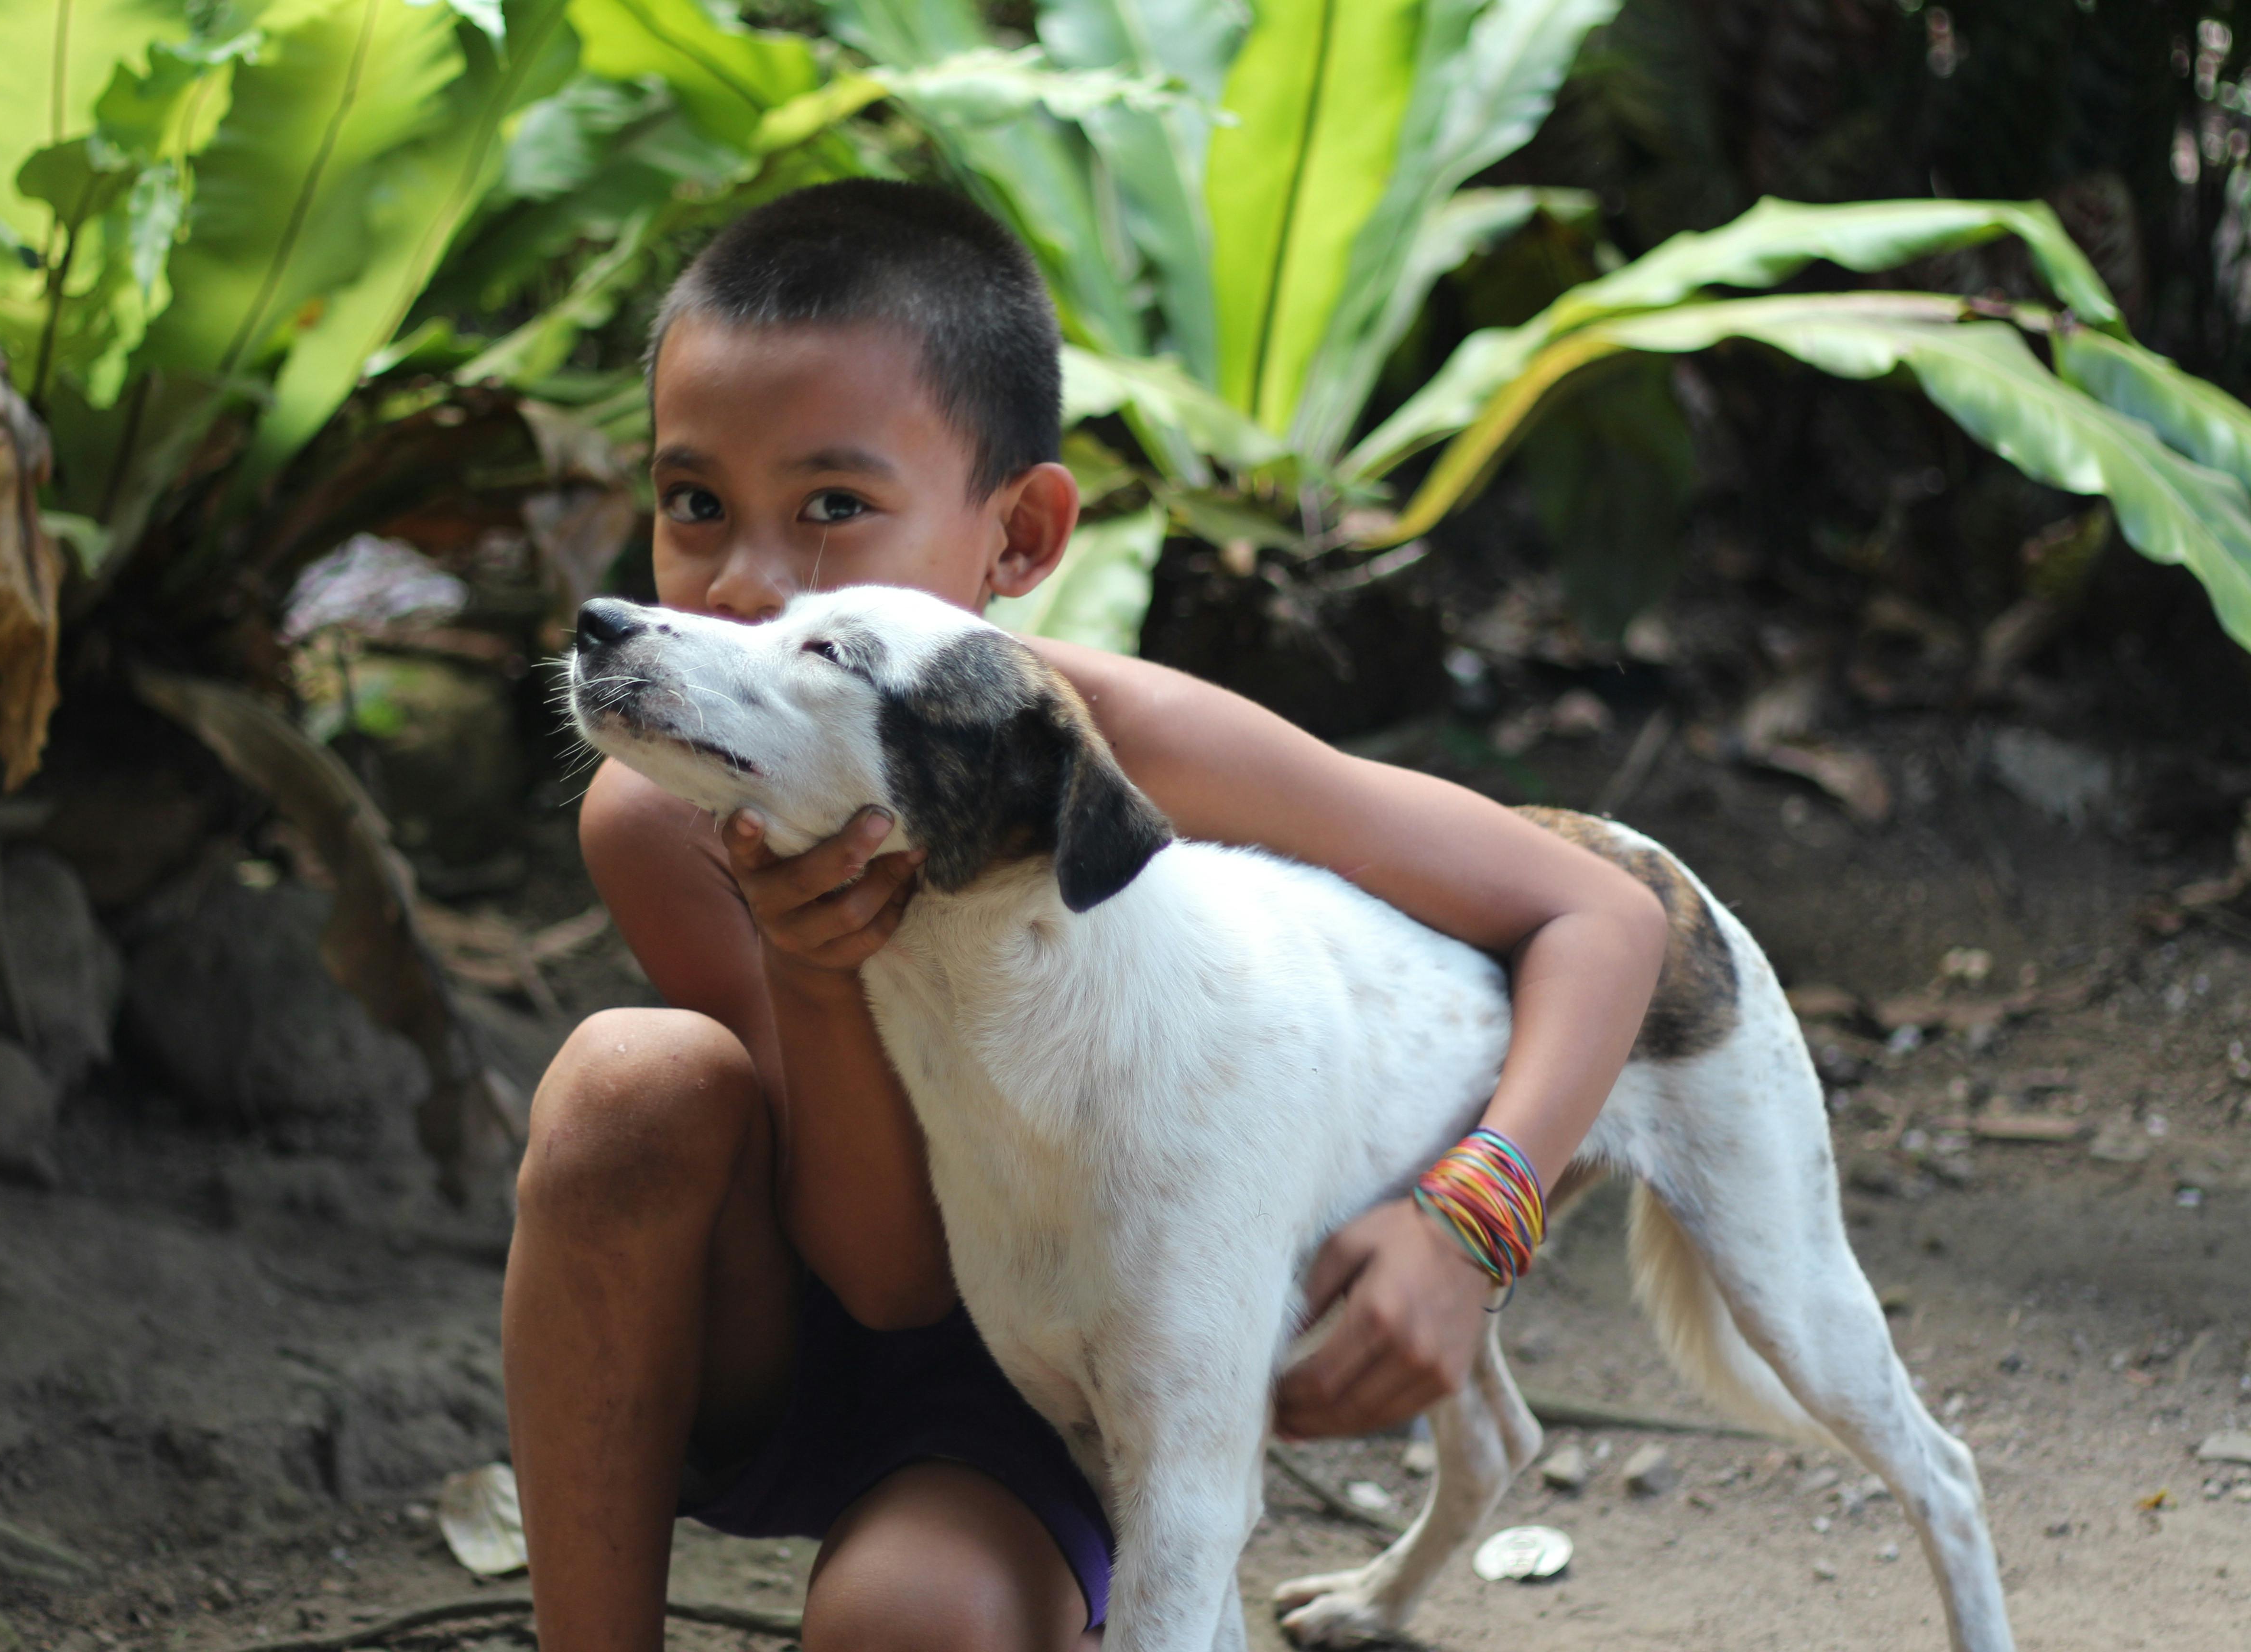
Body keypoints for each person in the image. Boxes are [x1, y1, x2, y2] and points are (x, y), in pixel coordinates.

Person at [503, 179, 1669, 1652]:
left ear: (1022, 535)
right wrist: (812, 971)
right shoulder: (659, 812)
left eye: (834, 509)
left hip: (1061, 1379)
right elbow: (882, 1272)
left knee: (913, 1624)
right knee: (626, 1082)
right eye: (694, 505)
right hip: (811, 1326)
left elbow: (1604, 917)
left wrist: (1473, 1220)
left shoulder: (1121, 758)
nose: (744, 581)